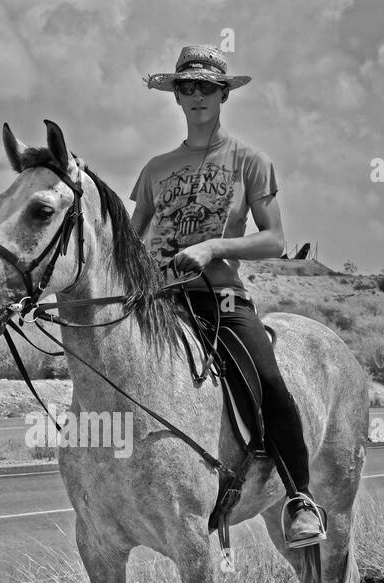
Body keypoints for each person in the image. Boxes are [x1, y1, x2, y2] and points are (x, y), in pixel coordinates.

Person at [130, 44, 326, 548]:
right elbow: (131, 244)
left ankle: (300, 498)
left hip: (220, 301)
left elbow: (275, 240)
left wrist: (213, 246)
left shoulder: (249, 161)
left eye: (206, 88)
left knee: (269, 381)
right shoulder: (155, 169)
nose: (196, 96)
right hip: (160, 304)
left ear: (222, 95)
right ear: (176, 97)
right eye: (186, 87)